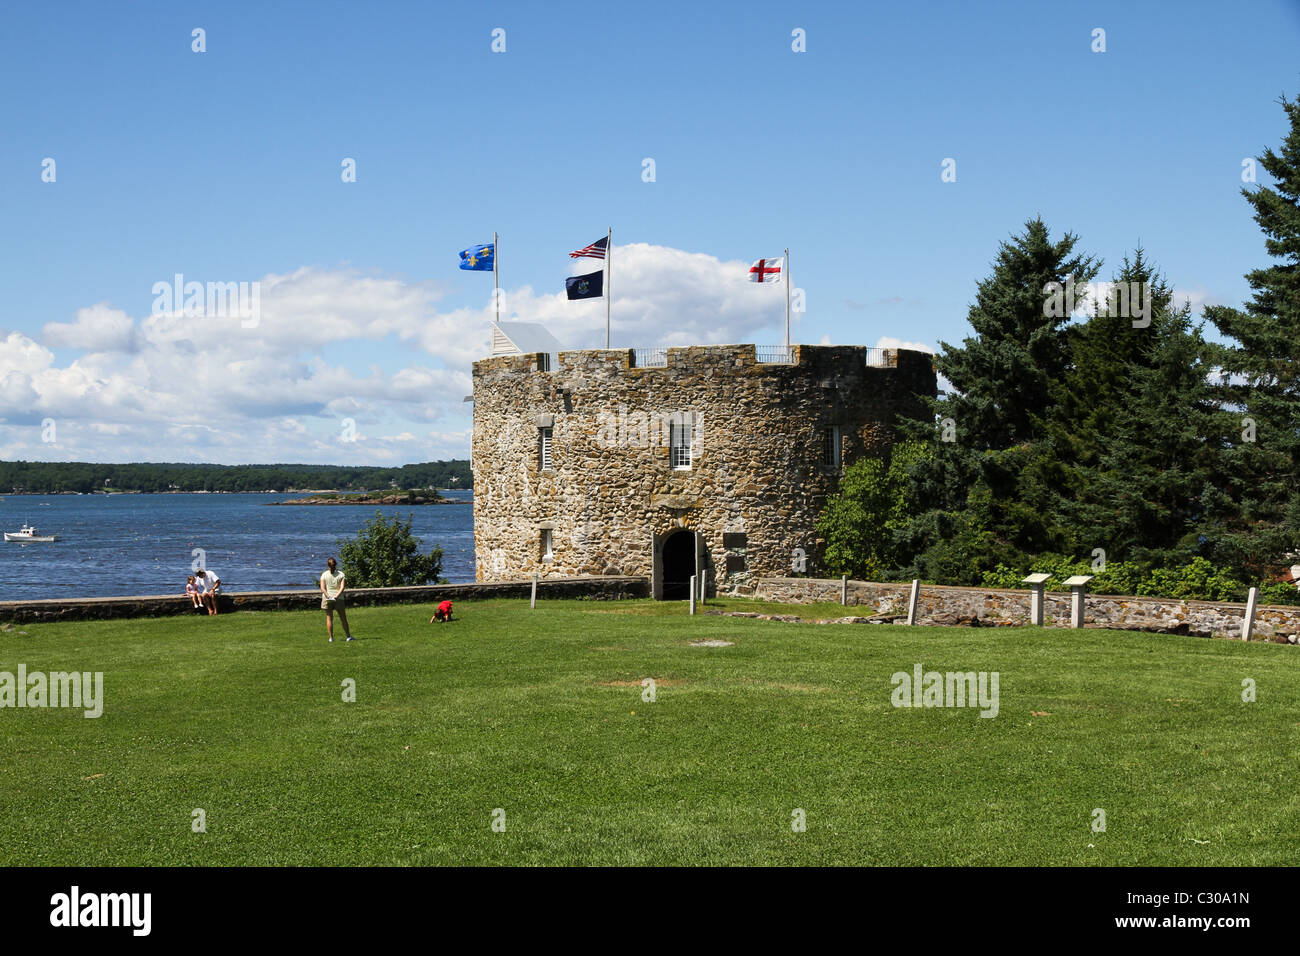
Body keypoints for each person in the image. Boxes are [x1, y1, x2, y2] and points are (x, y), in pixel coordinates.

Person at [320, 557, 353, 642]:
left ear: (328, 565)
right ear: (336, 565)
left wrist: (328, 596)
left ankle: (331, 638)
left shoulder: (324, 574)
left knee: (329, 618)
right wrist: (336, 597)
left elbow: (322, 588)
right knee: (343, 618)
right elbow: (342, 588)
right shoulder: (341, 574)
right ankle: (348, 637)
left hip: (327, 599)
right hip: (339, 598)